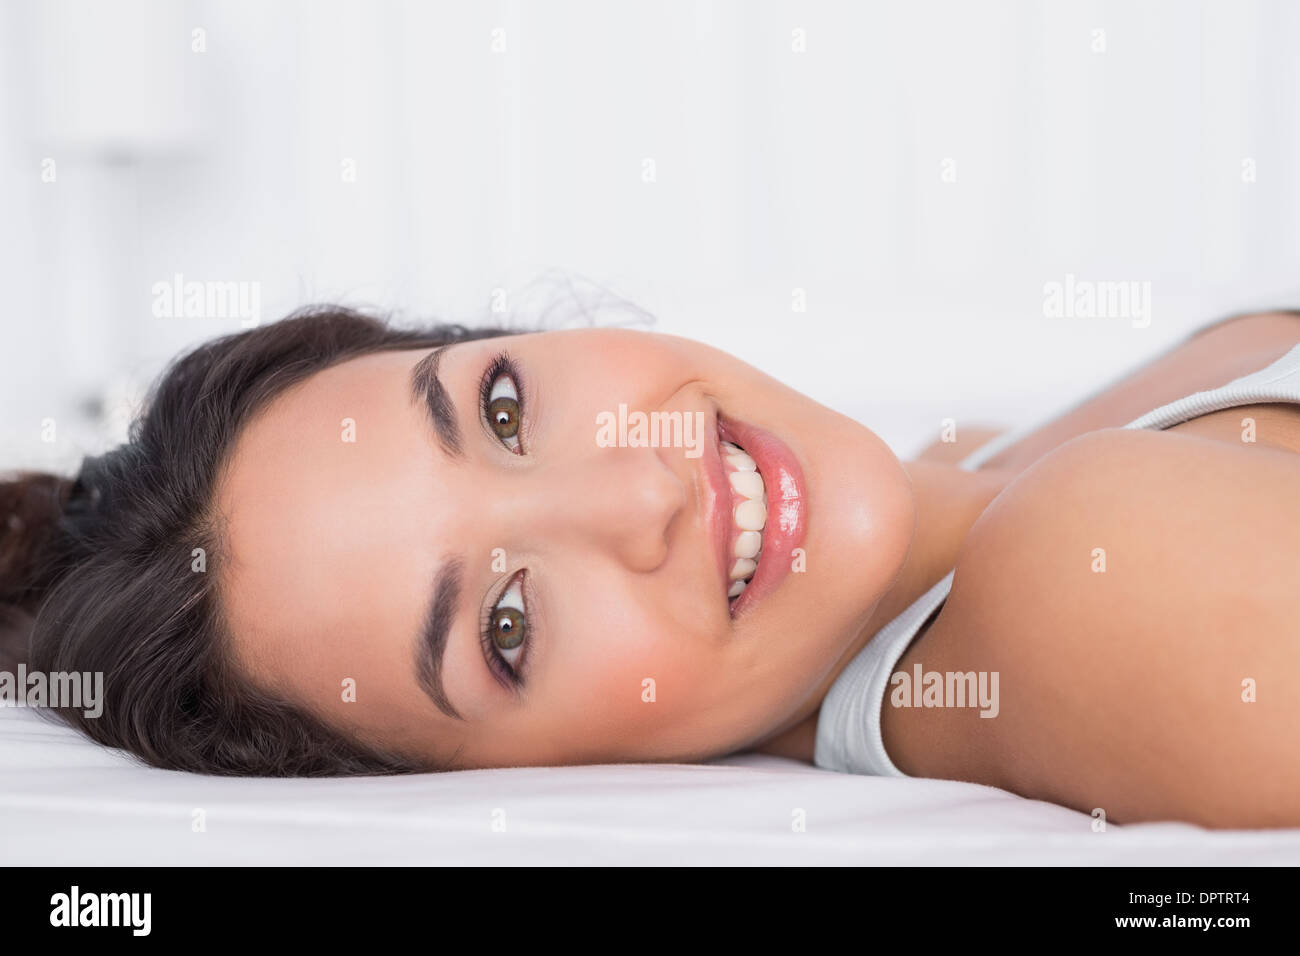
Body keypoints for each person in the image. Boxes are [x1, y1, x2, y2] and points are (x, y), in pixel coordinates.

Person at [3, 304, 1299, 829]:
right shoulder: (1087, 582)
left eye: (503, 409)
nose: (643, 489)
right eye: (508, 626)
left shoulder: (974, 461)